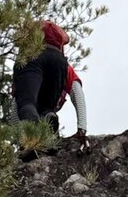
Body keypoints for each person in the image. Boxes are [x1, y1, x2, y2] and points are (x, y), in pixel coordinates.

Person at [12, 20, 88, 153]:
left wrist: (21, 141)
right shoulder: (66, 68)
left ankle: (33, 138)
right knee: (45, 108)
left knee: (26, 103)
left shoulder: (26, 58)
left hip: (31, 58)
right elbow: (77, 91)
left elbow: (15, 105)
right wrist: (82, 128)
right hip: (58, 62)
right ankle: (47, 117)